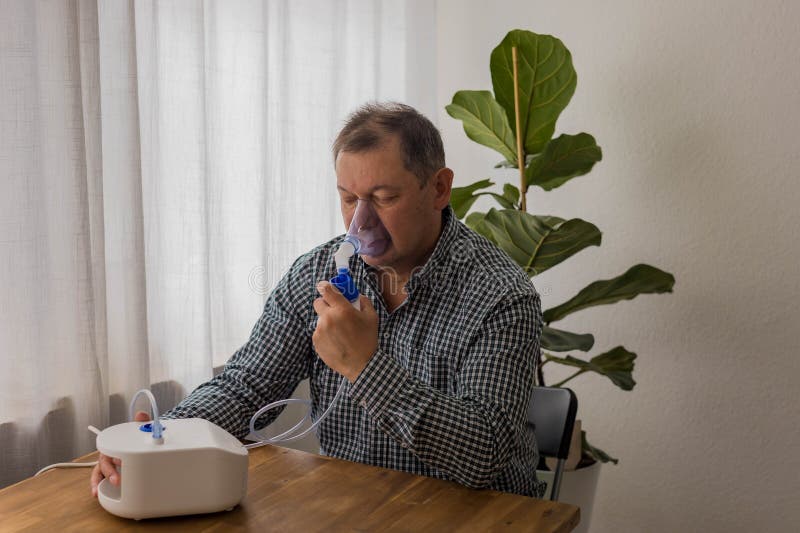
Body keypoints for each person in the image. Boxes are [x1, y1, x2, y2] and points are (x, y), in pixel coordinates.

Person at [90, 102, 545, 498]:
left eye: (384, 198)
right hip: (355, 507)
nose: (360, 222)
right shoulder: (318, 273)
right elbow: (246, 387)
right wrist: (164, 436)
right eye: (348, 199)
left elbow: (484, 454)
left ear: (440, 189)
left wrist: (365, 366)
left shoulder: (501, 297)